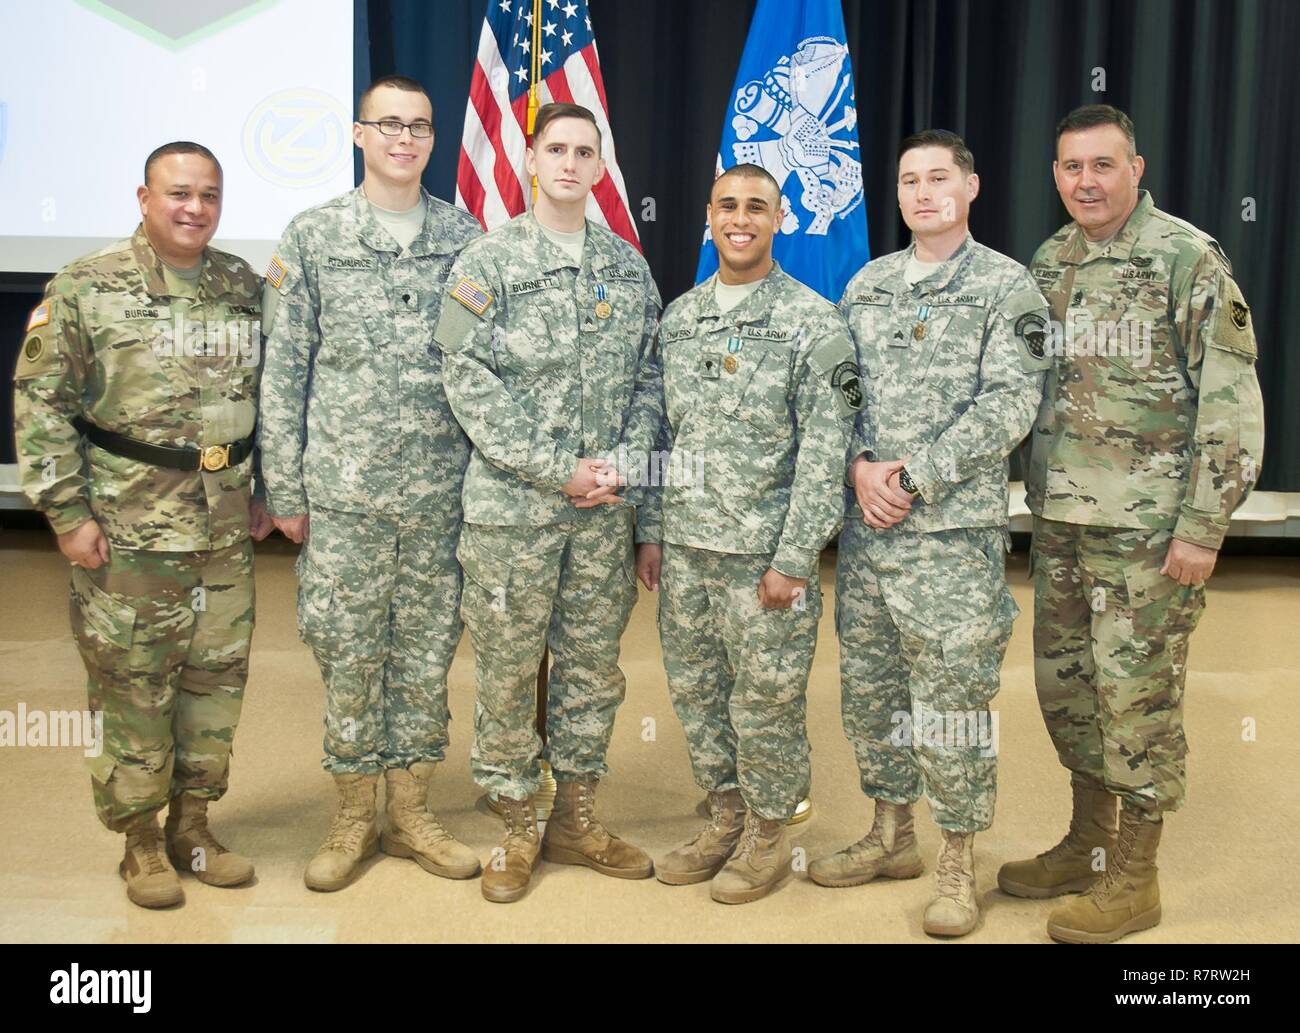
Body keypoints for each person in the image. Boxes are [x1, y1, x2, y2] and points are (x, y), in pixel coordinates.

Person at [998, 104, 1265, 943]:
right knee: (1070, 691)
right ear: (1056, 175)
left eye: (1103, 165)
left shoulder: (1188, 258)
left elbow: (1231, 402)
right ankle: (1088, 845)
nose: (1087, 181)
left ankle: (1137, 879)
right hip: (1065, 525)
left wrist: (1202, 526)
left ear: (1136, 169)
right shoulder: (1050, 260)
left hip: (1149, 533)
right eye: (1072, 167)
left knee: (1137, 700)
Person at [12, 142, 269, 908]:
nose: (195, 208)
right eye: (179, 193)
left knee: (214, 686)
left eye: (210, 195)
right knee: (131, 687)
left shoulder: (241, 285)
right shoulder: (86, 288)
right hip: (127, 530)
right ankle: (142, 841)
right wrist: (65, 513)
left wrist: (263, 488)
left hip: (222, 531)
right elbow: (40, 403)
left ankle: (195, 824)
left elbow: (269, 396)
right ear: (143, 197)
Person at [810, 131, 1050, 937]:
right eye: (909, 179)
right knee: (873, 690)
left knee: (950, 702)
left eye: (938, 177)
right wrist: (857, 469)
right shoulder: (868, 284)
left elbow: (1010, 404)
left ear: (971, 187)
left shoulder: (1006, 287)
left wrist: (913, 476)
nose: (922, 191)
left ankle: (956, 857)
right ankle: (890, 833)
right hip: (870, 533)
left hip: (951, 536)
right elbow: (832, 396)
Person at [434, 102, 663, 903]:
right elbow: (465, 379)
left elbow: (649, 381)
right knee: (506, 668)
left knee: (593, 670)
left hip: (602, 516)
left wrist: (621, 466)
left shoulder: (629, 268)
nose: (568, 163)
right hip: (512, 514)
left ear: (601, 168)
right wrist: (555, 467)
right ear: (530, 161)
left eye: (583, 151)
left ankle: (576, 815)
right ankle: (517, 823)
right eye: (554, 149)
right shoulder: (484, 262)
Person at [258, 75, 483, 892]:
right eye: (388, 124)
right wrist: (284, 487)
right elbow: (283, 369)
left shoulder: (465, 239)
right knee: (350, 655)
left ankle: (413, 810)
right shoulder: (314, 237)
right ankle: (353, 814)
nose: (404, 138)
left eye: (419, 126)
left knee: (424, 656)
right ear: (360, 134)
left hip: (437, 496)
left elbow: (483, 367)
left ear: (432, 138)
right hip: (344, 499)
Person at [638, 164, 859, 904]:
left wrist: (795, 558)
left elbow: (826, 452)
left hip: (765, 559)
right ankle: (725, 816)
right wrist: (652, 529)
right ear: (708, 217)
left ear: (779, 219)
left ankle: (769, 834)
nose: (741, 218)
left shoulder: (813, 322)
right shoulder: (680, 318)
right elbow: (663, 434)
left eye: (756, 207)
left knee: (765, 704)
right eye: (728, 206)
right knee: (699, 697)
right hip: (690, 551)